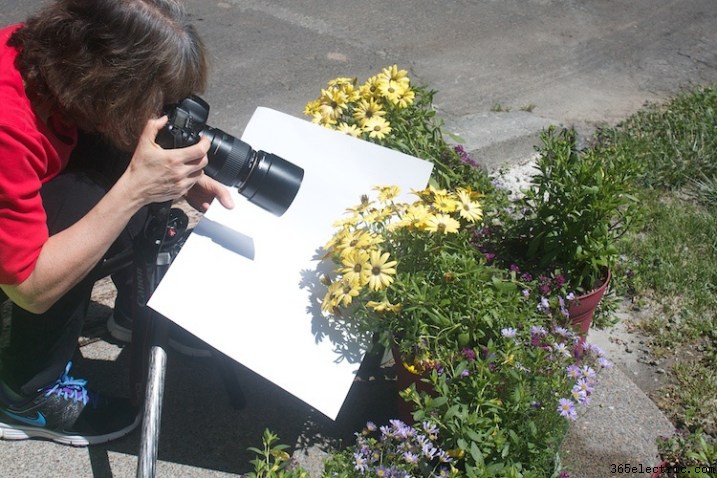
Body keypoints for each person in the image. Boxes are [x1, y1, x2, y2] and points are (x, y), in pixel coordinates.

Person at [0, 0, 234, 446]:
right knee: (106, 192)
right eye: (156, 99)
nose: (163, 111)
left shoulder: (54, 63)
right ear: (106, 79)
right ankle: (23, 394)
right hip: (20, 282)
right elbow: (28, 287)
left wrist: (180, 178)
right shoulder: (7, 127)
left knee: (126, 160)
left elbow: (119, 132)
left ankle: (133, 306)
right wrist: (138, 188)